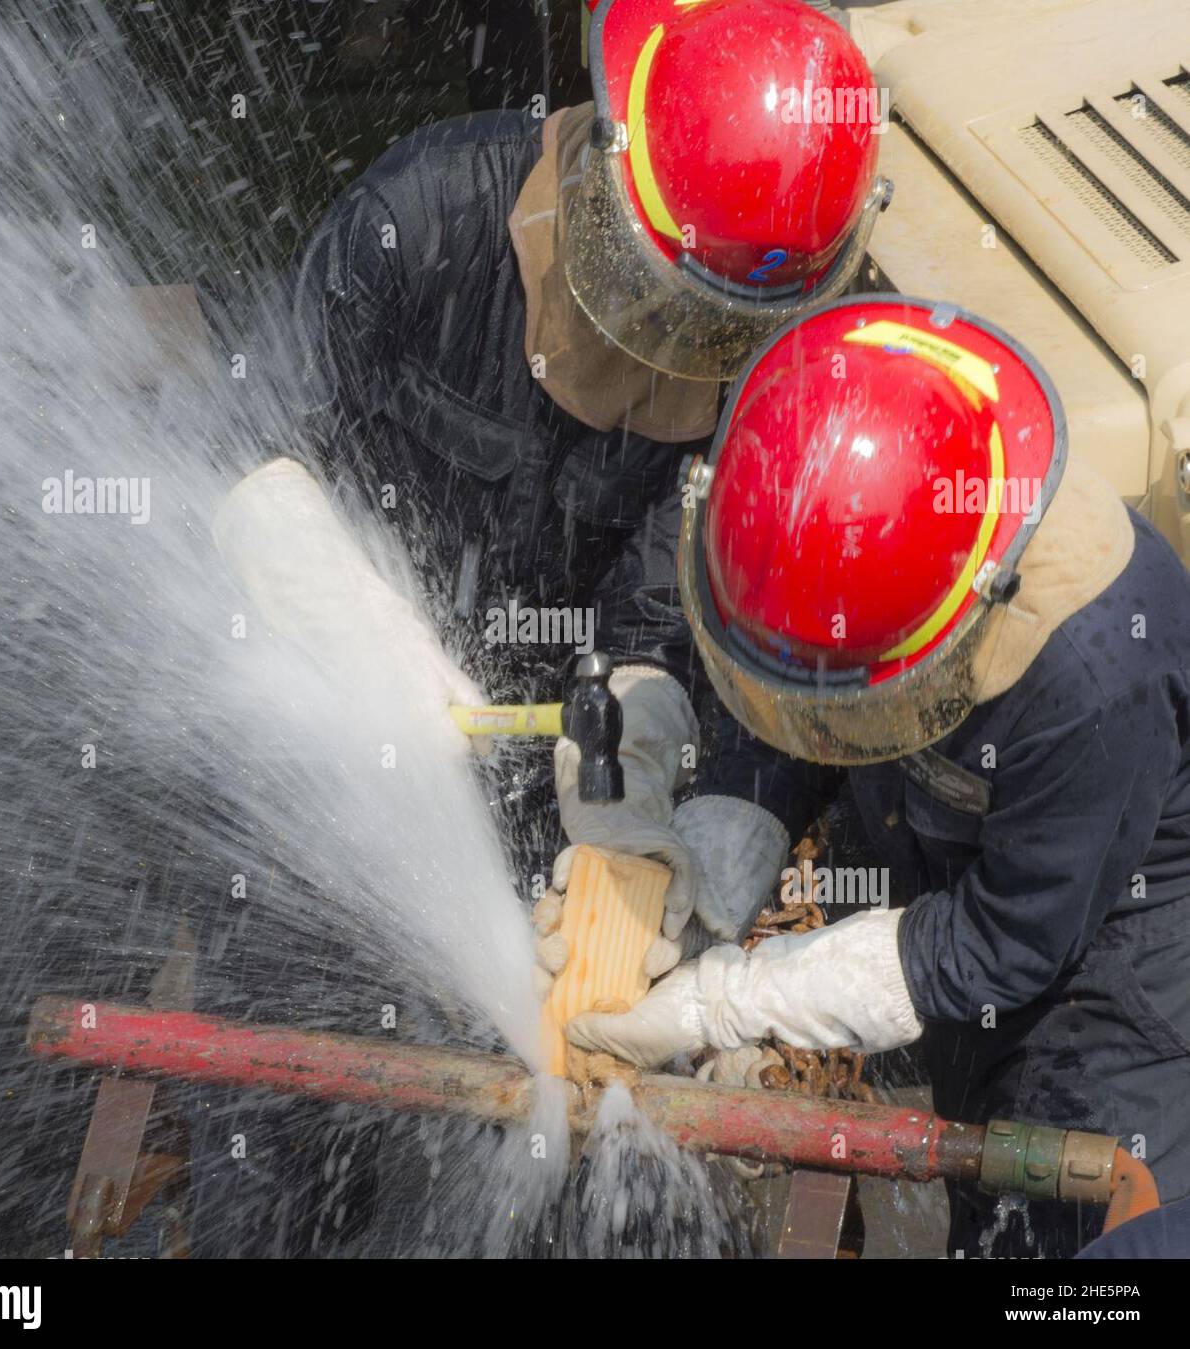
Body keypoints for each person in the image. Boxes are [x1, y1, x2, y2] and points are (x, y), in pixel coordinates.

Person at [565, 294, 1190, 1258]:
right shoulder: (851, 465)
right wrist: (707, 879)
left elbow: (1000, 948)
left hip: (1110, 990)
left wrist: (720, 998)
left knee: (1055, 1243)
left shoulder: (1100, 670)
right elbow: (802, 699)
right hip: (943, 872)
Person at [291, 0, 890, 972]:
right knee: (284, 1013)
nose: (684, 354)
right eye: (669, 306)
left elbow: (808, 630)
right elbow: (251, 450)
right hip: (337, 746)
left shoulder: (812, 352)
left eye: (720, 329)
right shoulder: (415, 223)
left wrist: (730, 805)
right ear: (607, 181)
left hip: (561, 773)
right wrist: (354, 624)